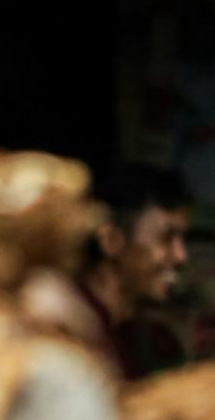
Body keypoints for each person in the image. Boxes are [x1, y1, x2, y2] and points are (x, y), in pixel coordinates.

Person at [79, 161, 191, 379]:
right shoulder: (73, 334)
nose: (181, 256)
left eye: (182, 240)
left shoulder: (151, 340)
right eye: (166, 238)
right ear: (111, 241)